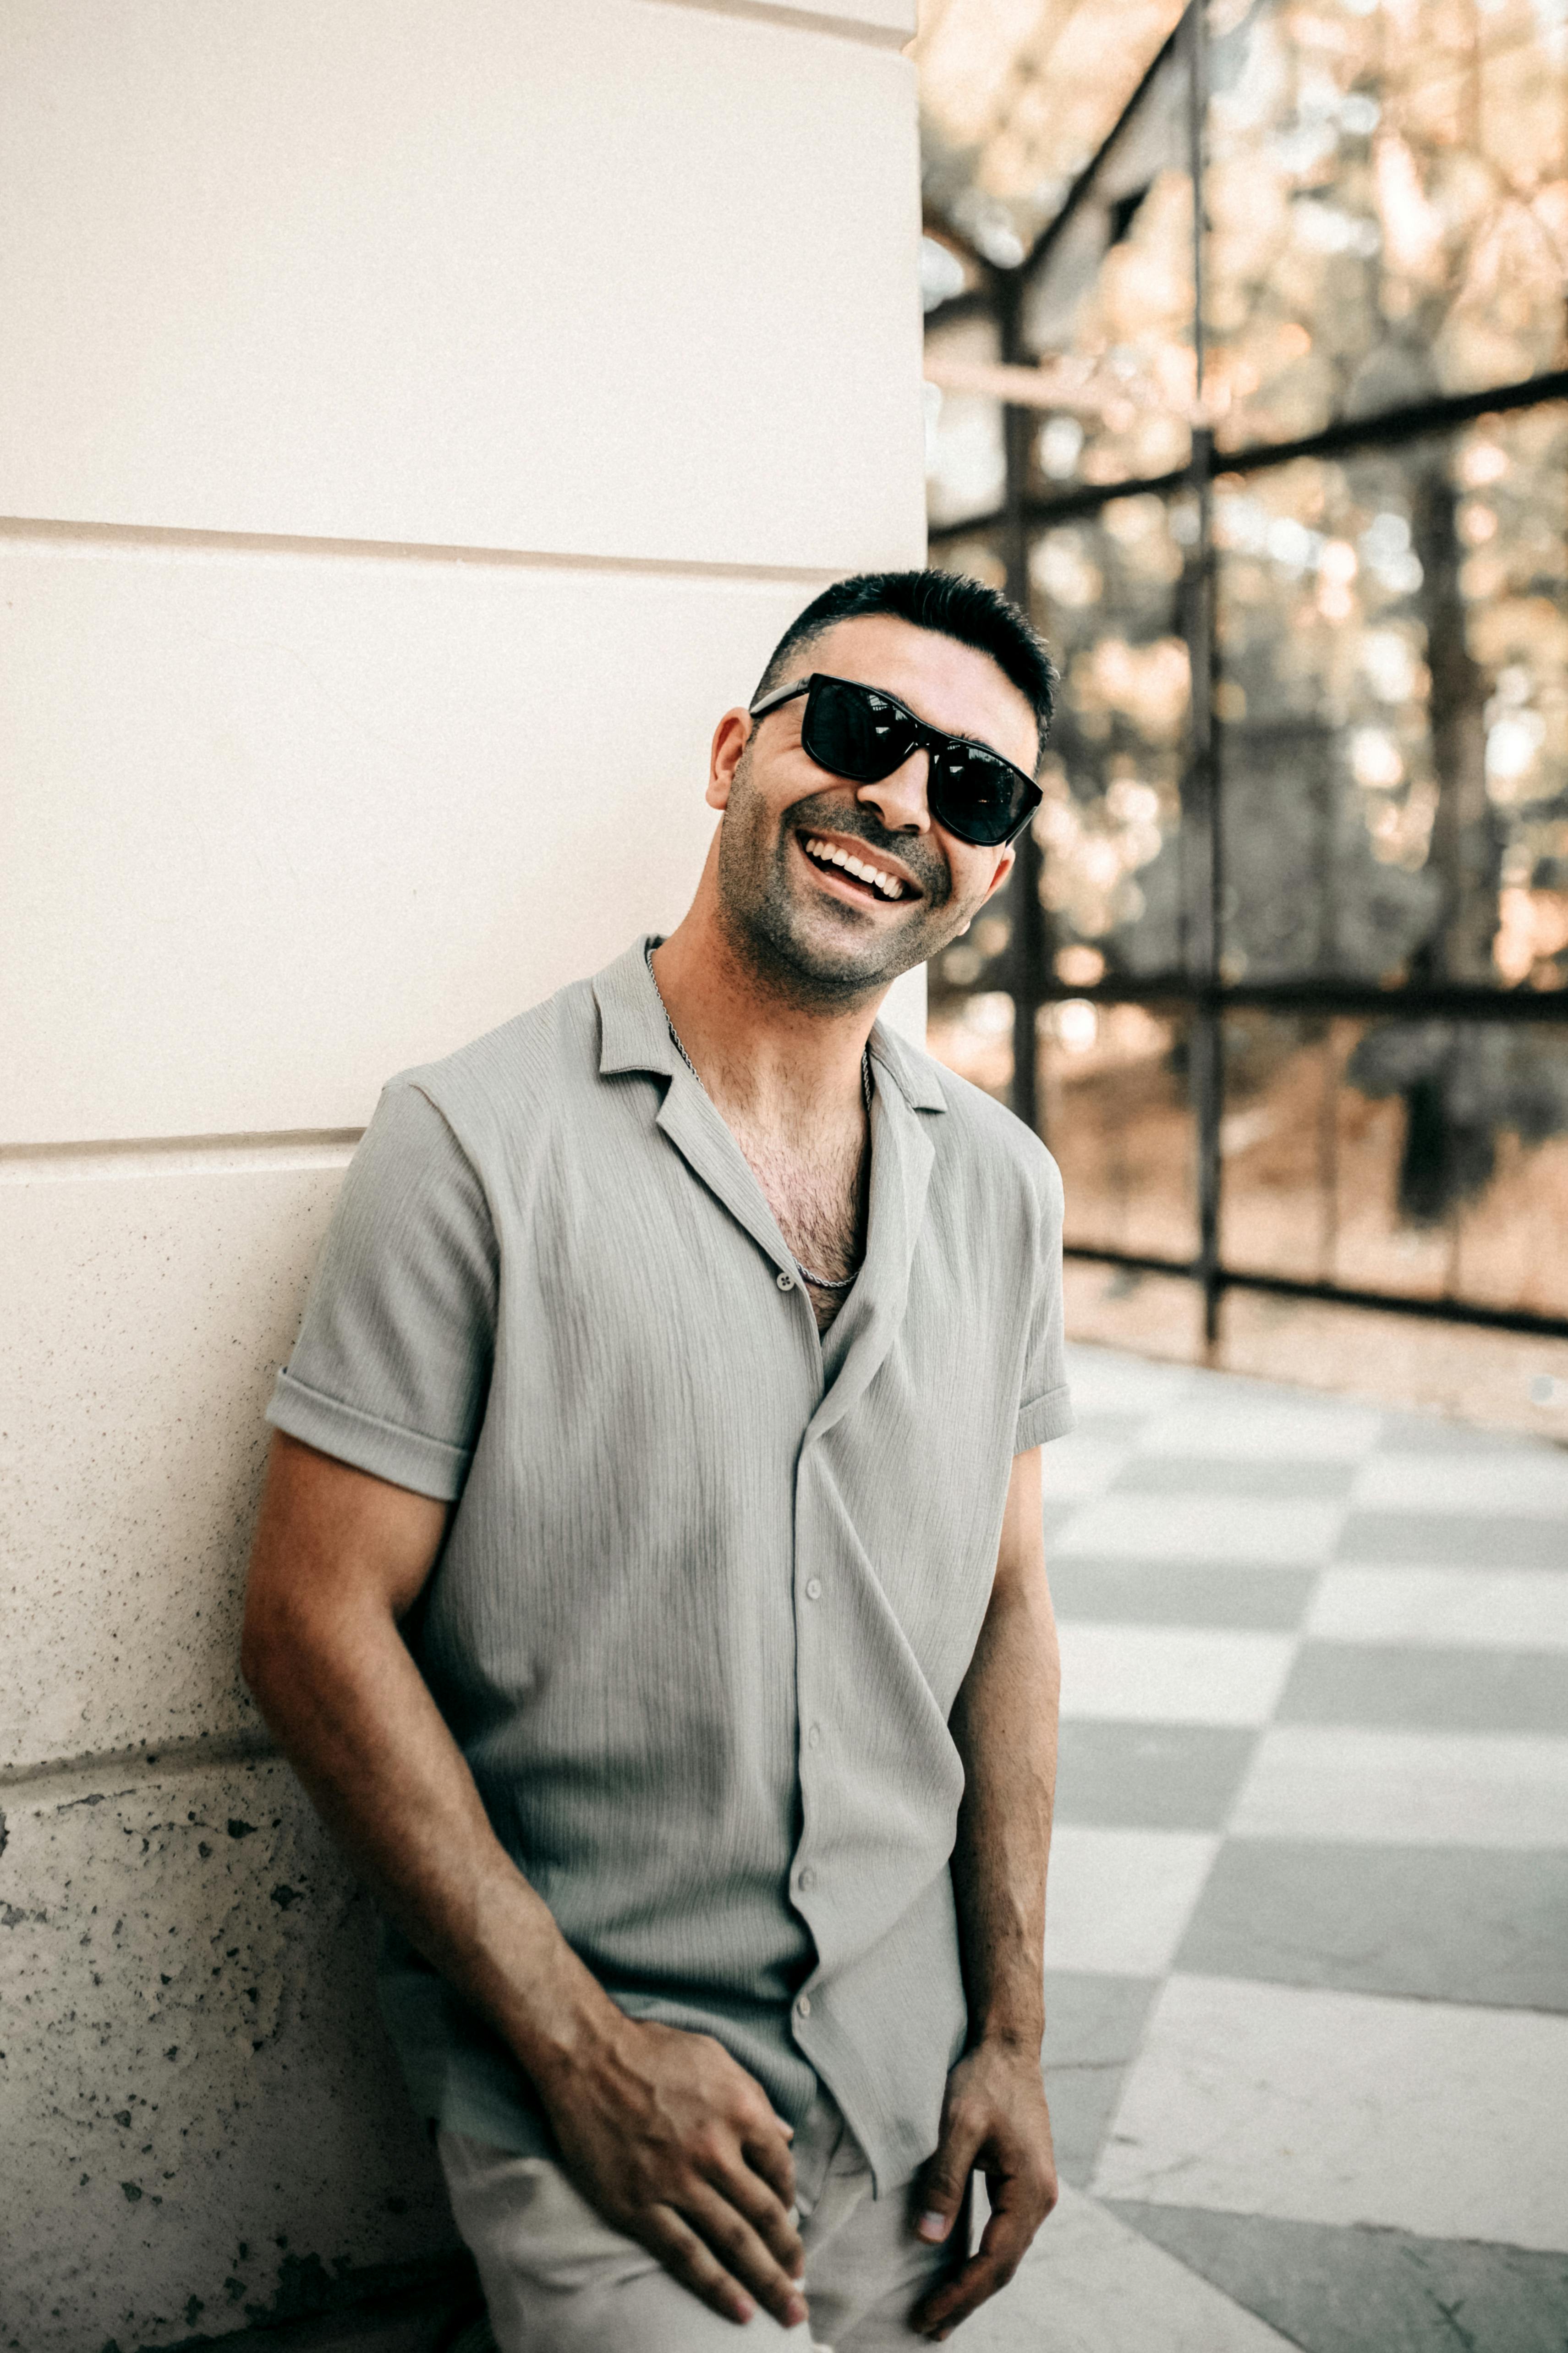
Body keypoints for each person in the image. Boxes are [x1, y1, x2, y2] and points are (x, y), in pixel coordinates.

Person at [241, 568, 1073, 2350]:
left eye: (973, 789)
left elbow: (1007, 1603)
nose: (902, 803)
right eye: (860, 732)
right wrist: (581, 2055)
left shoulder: (1006, 1188)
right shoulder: (466, 1145)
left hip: (918, 2103)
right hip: (608, 2118)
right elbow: (311, 1626)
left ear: (992, 868)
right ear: (733, 754)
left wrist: (1010, 2034)